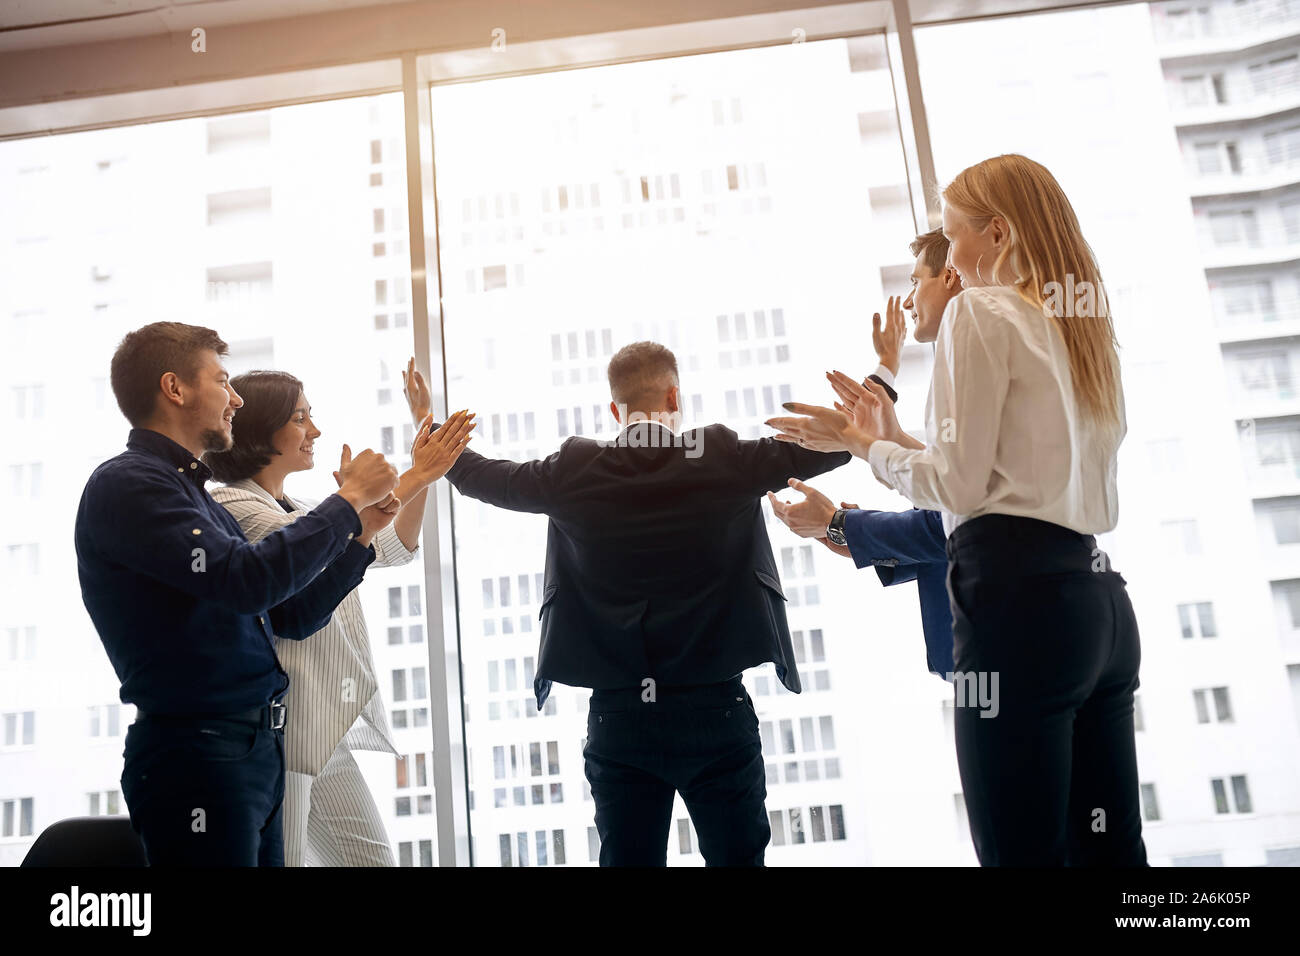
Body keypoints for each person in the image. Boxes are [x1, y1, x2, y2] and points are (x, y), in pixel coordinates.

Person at [767, 154, 1147, 867]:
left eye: (953, 234)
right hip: (1097, 609)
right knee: (1115, 861)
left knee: (1018, 855)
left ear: (995, 234)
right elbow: (1008, 479)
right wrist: (881, 441)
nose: (949, 258)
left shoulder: (982, 308)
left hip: (1021, 615)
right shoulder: (1075, 328)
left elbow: (966, 489)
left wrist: (860, 445)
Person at [440, 342, 849, 866]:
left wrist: (428, 427)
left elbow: (483, 476)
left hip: (621, 718)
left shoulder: (573, 470)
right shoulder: (723, 457)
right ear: (674, 396)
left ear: (616, 410)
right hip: (715, 711)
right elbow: (834, 447)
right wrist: (881, 379)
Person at [75, 322, 401, 866]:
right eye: (223, 381)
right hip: (200, 757)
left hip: (250, 751)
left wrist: (361, 532)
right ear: (175, 389)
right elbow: (247, 579)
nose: (236, 398)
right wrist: (346, 500)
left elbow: (289, 614)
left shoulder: (197, 498)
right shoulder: (130, 484)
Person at [205, 361, 474, 866]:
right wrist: (410, 475)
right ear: (262, 431)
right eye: (301, 418)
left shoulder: (302, 508)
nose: (316, 430)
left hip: (320, 727)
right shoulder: (236, 507)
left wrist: (422, 471)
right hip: (279, 731)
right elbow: (339, 537)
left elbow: (391, 545)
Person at [768, 228, 961, 679]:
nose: (909, 300)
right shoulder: (956, 366)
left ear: (952, 276)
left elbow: (953, 523)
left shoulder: (971, 371)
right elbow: (949, 497)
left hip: (1002, 655)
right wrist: (840, 532)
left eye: (915, 281)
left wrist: (840, 524)